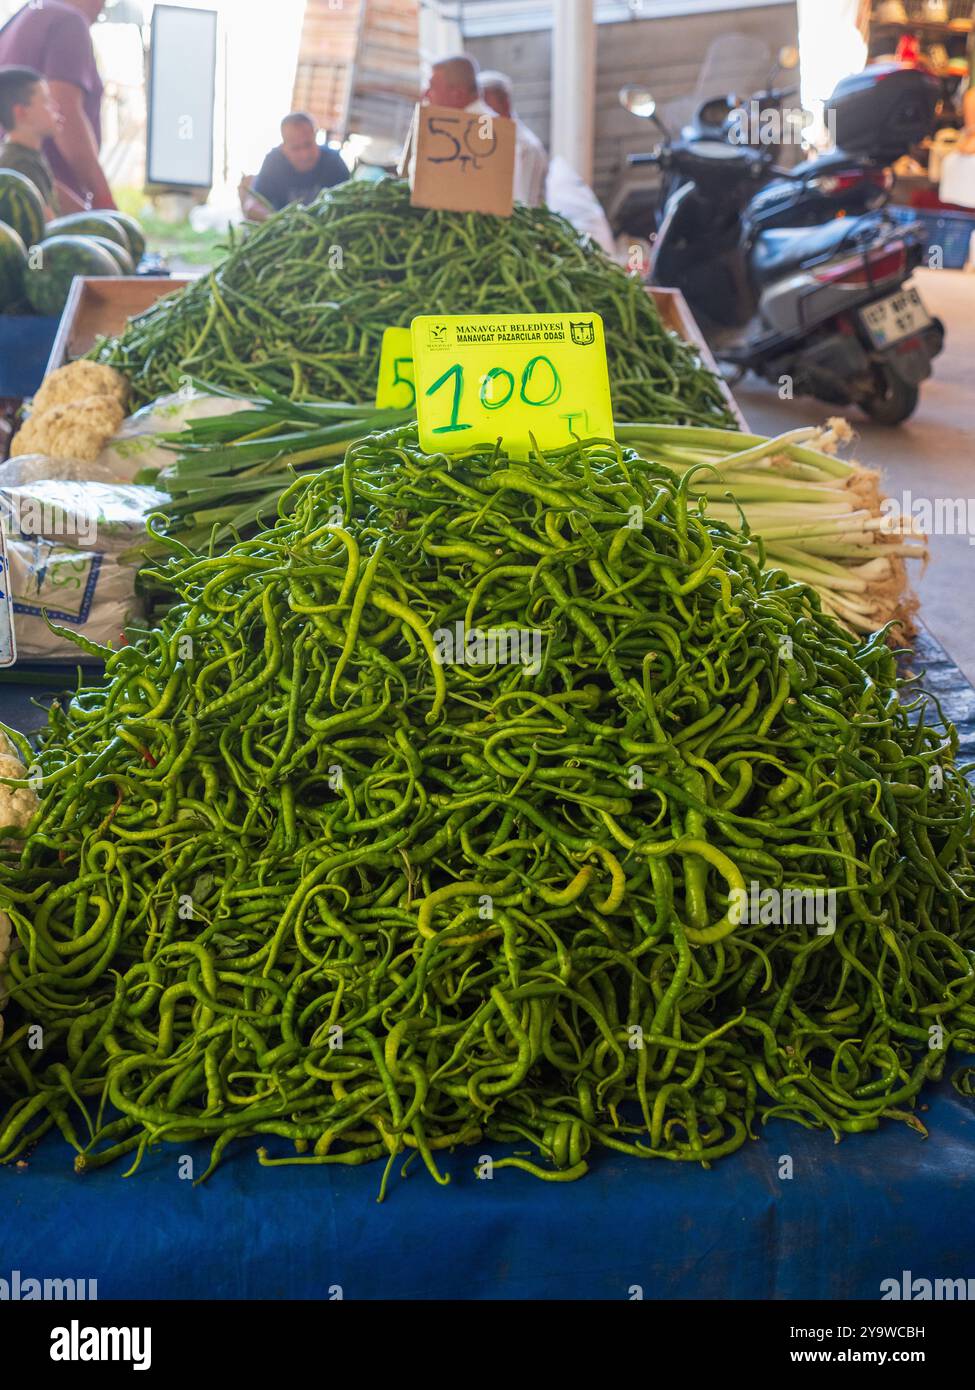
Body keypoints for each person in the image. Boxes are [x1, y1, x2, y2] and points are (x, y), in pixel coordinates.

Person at [0, 0, 113, 212]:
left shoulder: (24, 16)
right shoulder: (69, 20)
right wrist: (103, 199)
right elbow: (67, 110)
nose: (103, 6)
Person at [240, 113, 349, 222]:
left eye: (308, 144)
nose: (304, 154)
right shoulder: (274, 162)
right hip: (284, 233)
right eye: (296, 148)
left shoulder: (333, 161)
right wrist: (280, 222)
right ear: (283, 146)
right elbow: (252, 206)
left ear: (315, 136)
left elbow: (349, 201)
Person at [478, 69, 548, 208]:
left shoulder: (525, 147)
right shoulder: (491, 139)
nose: (481, 111)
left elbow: (523, 206)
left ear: (505, 103)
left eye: (485, 104)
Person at [0, 67, 64, 218]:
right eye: (47, 101)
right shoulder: (20, 164)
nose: (55, 107)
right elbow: (48, 224)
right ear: (22, 112)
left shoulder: (27, 153)